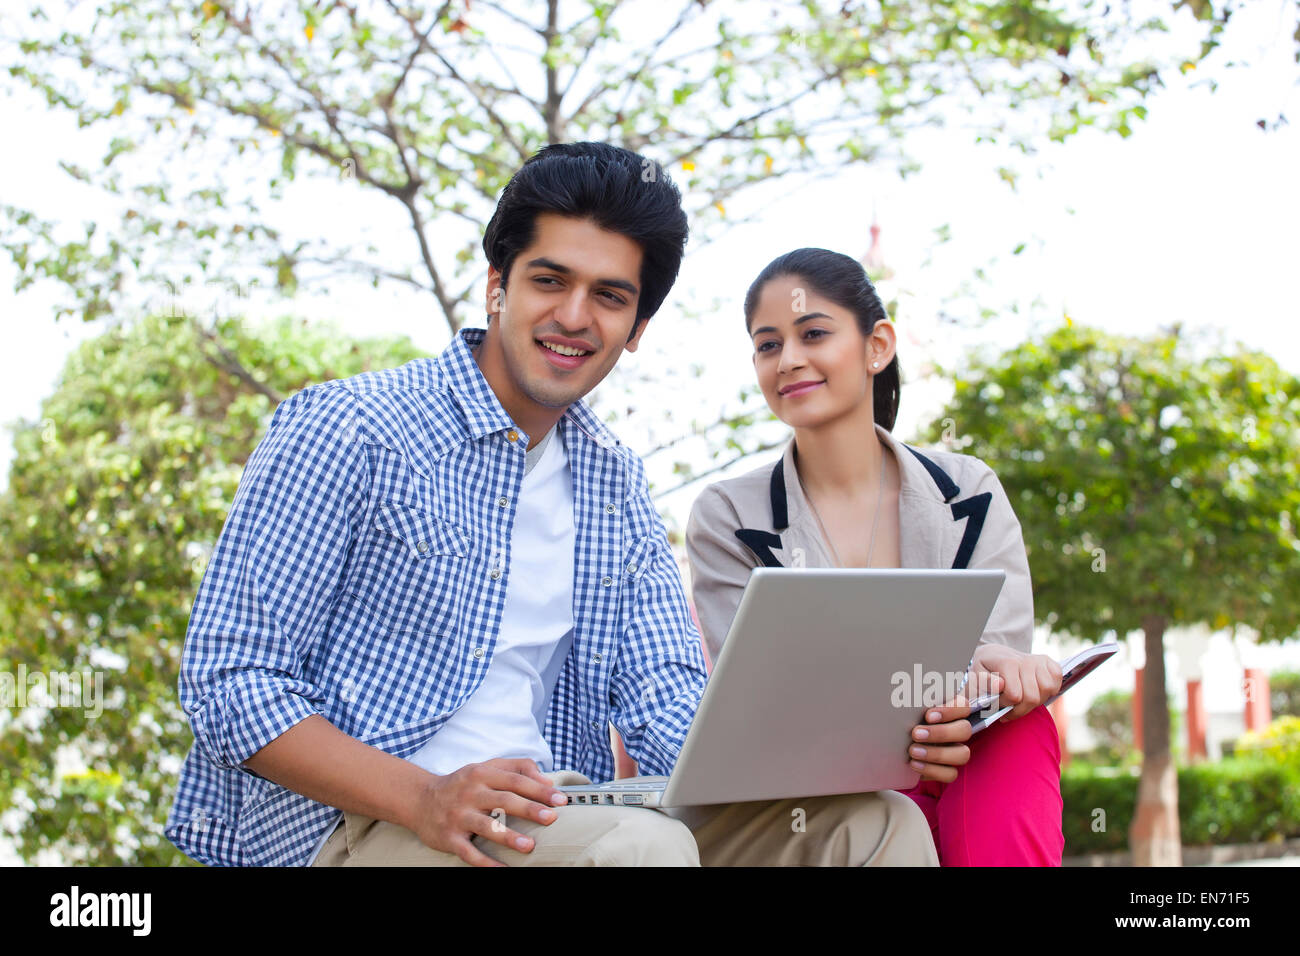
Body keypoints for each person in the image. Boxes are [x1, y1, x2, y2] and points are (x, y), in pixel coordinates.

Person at [165, 147, 937, 867]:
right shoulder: (352, 427)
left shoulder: (613, 483)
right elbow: (228, 680)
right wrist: (422, 796)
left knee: (873, 823)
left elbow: (668, 702)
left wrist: (826, 742)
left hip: (557, 807)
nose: (574, 316)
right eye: (549, 280)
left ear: (635, 331)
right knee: (640, 850)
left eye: (608, 297)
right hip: (359, 823)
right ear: (497, 285)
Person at [685, 247, 1066, 866]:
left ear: (877, 345)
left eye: (813, 333)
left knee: (1019, 730)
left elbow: (1000, 651)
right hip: (822, 783)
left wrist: (1001, 668)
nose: (790, 360)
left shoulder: (967, 491)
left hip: (964, 748)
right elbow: (759, 697)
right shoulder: (728, 515)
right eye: (768, 344)